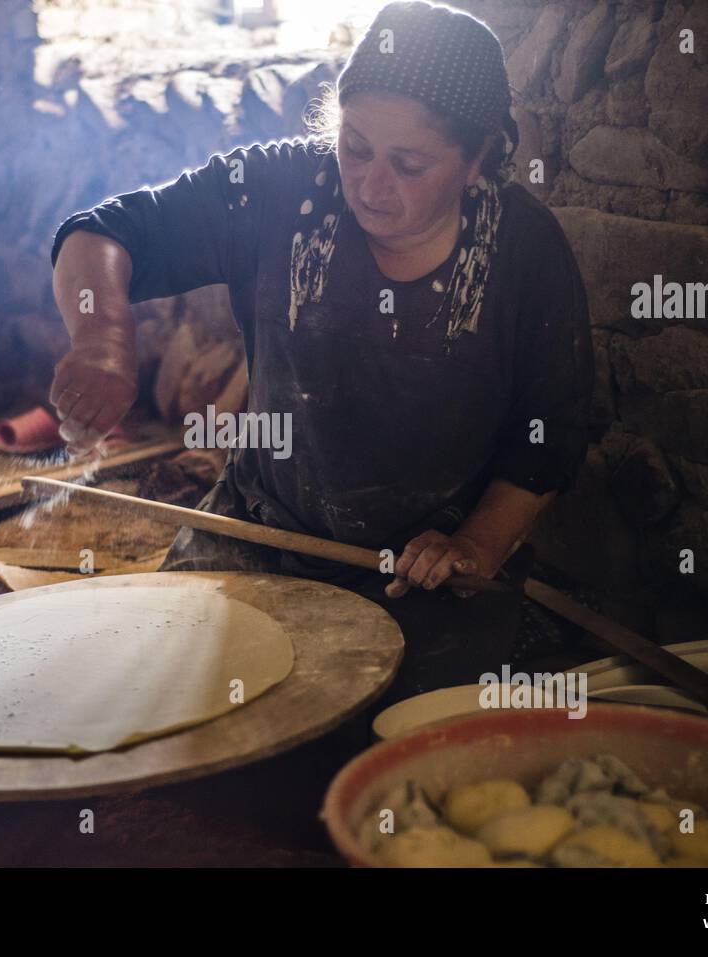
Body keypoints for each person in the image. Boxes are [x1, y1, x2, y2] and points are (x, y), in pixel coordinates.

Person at [48, 1, 594, 710]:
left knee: (388, 735)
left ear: (479, 159)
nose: (370, 183)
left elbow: (546, 438)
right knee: (163, 697)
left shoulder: (523, 250)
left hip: (422, 569)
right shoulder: (281, 190)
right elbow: (107, 233)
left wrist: (476, 547)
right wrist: (104, 341)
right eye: (355, 145)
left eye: (409, 164)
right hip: (258, 529)